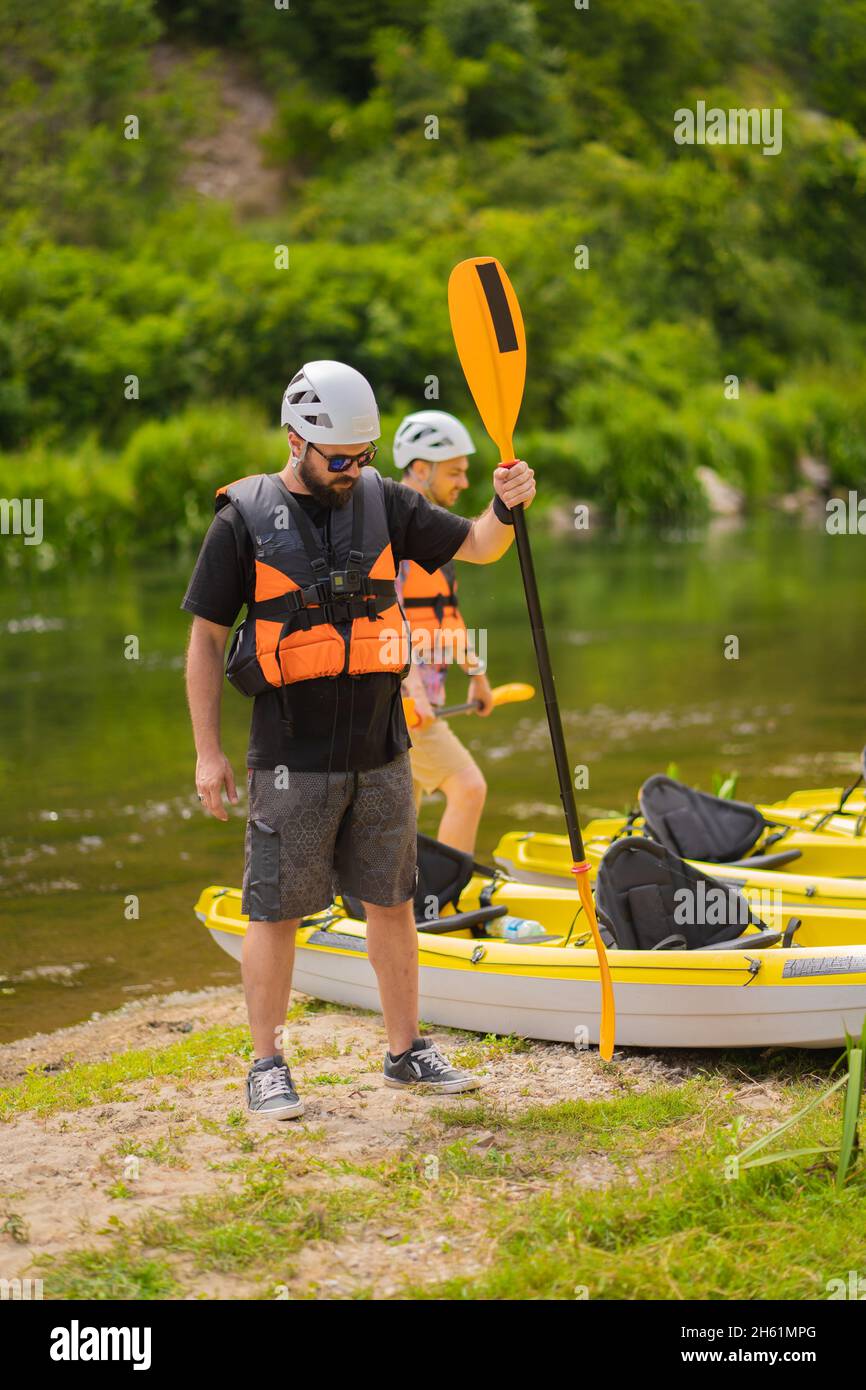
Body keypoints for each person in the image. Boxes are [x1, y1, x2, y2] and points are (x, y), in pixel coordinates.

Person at [182, 361, 535, 1121]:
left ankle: (406, 1052)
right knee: (274, 910)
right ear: (295, 438)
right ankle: (267, 1064)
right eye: (339, 458)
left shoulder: (383, 499)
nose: (352, 470)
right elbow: (207, 642)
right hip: (288, 753)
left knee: (392, 900)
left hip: (381, 747)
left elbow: (476, 544)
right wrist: (208, 752)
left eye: (364, 456)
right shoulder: (242, 518)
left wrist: (505, 509)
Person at [393, 410, 492, 854]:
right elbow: (384, 616)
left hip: (421, 700)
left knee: (401, 818)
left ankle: (399, 908)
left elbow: (446, 613)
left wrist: (477, 672)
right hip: (402, 702)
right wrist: (411, 686)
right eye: (455, 473)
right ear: (419, 468)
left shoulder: (433, 529)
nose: (464, 483)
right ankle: (449, 895)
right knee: (468, 787)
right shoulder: (393, 532)